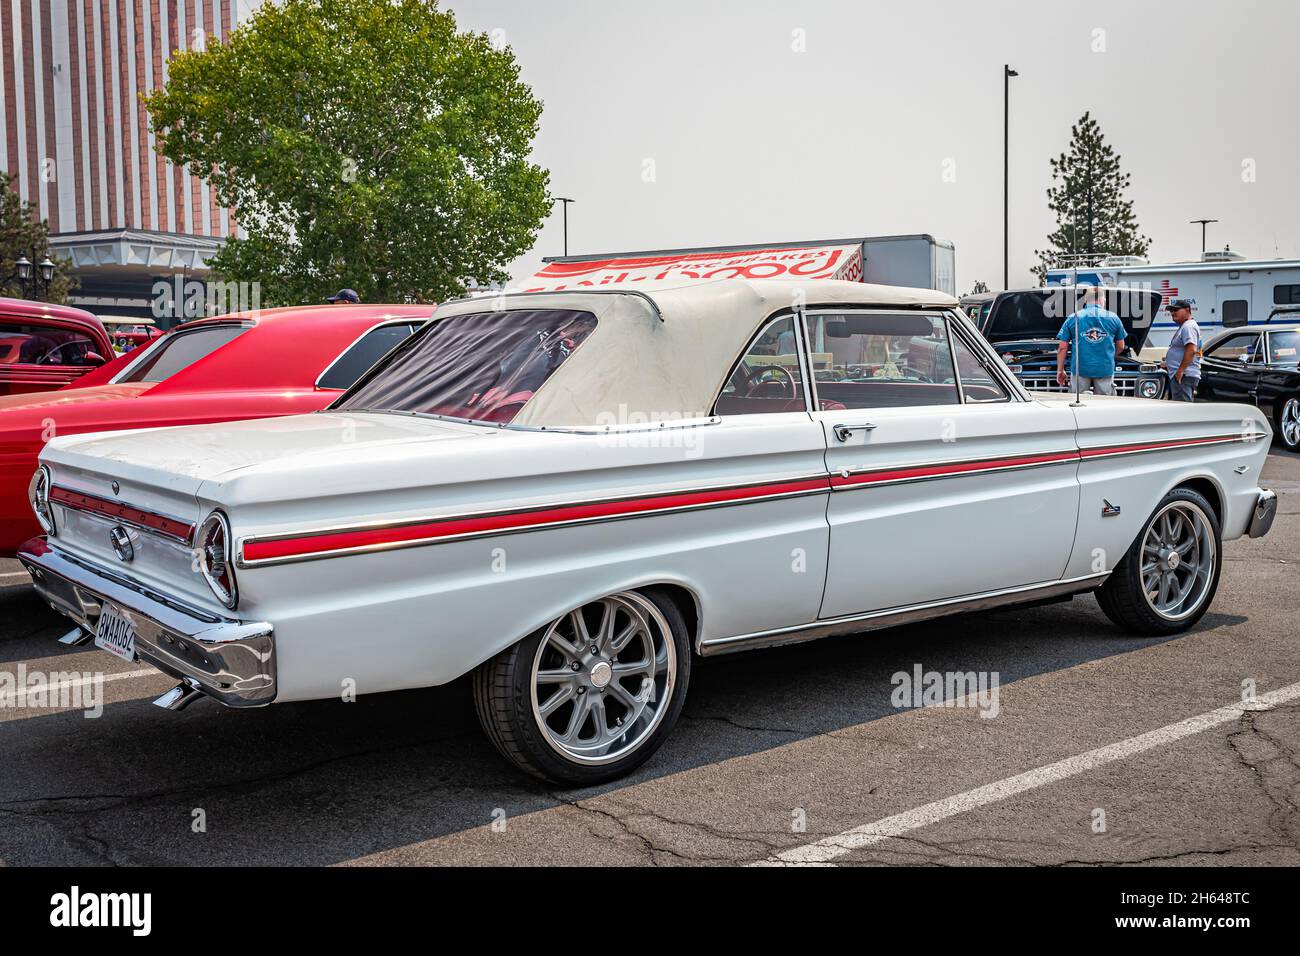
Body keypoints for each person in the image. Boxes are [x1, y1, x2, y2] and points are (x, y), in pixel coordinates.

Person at [1055, 286, 1127, 395]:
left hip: (1080, 370)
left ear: (1085, 300)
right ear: (1103, 299)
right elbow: (1121, 346)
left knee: (1079, 405)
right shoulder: (1114, 318)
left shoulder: (1073, 317)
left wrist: (1060, 370)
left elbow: (1062, 347)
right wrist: (1108, 356)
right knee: (1104, 405)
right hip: (1105, 369)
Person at [1164, 299, 1202, 402]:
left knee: (1183, 410)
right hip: (1183, 375)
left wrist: (1180, 370)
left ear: (1187, 310)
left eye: (1176, 310)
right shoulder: (1185, 326)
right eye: (1171, 310)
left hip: (1183, 376)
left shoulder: (1188, 326)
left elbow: (1191, 350)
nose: (1172, 313)